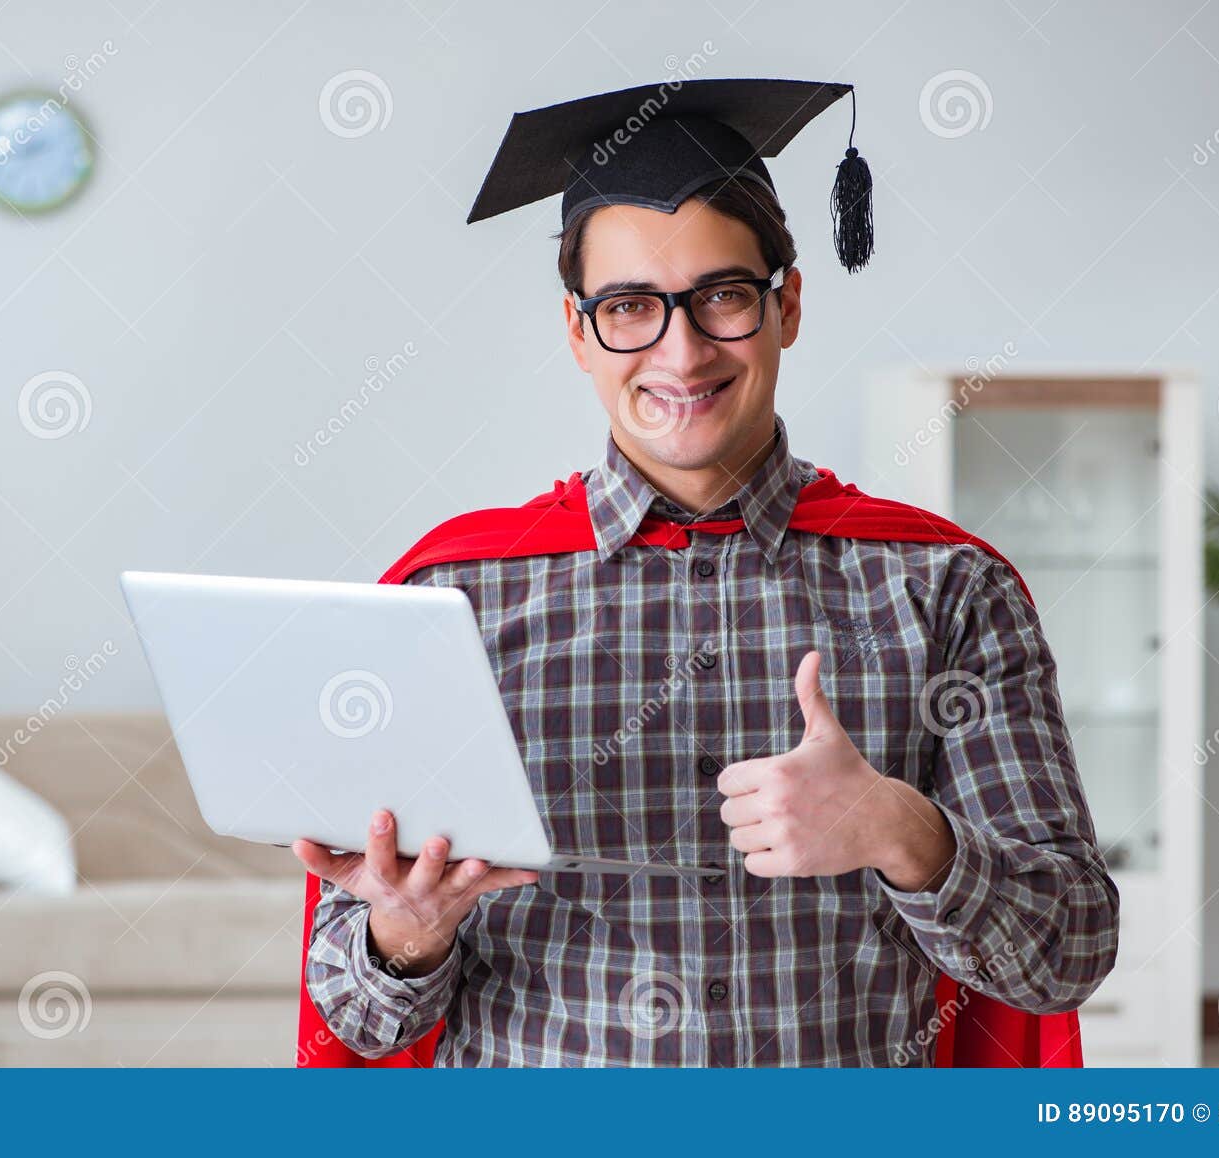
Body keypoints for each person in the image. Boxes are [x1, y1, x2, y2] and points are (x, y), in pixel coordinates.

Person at [292, 78, 1119, 1067]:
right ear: (578, 332)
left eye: (722, 297)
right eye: (629, 306)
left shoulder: (947, 589)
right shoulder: (448, 604)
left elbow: (1067, 957)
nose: (680, 353)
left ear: (787, 305)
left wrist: (902, 831)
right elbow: (356, 1022)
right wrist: (407, 932)